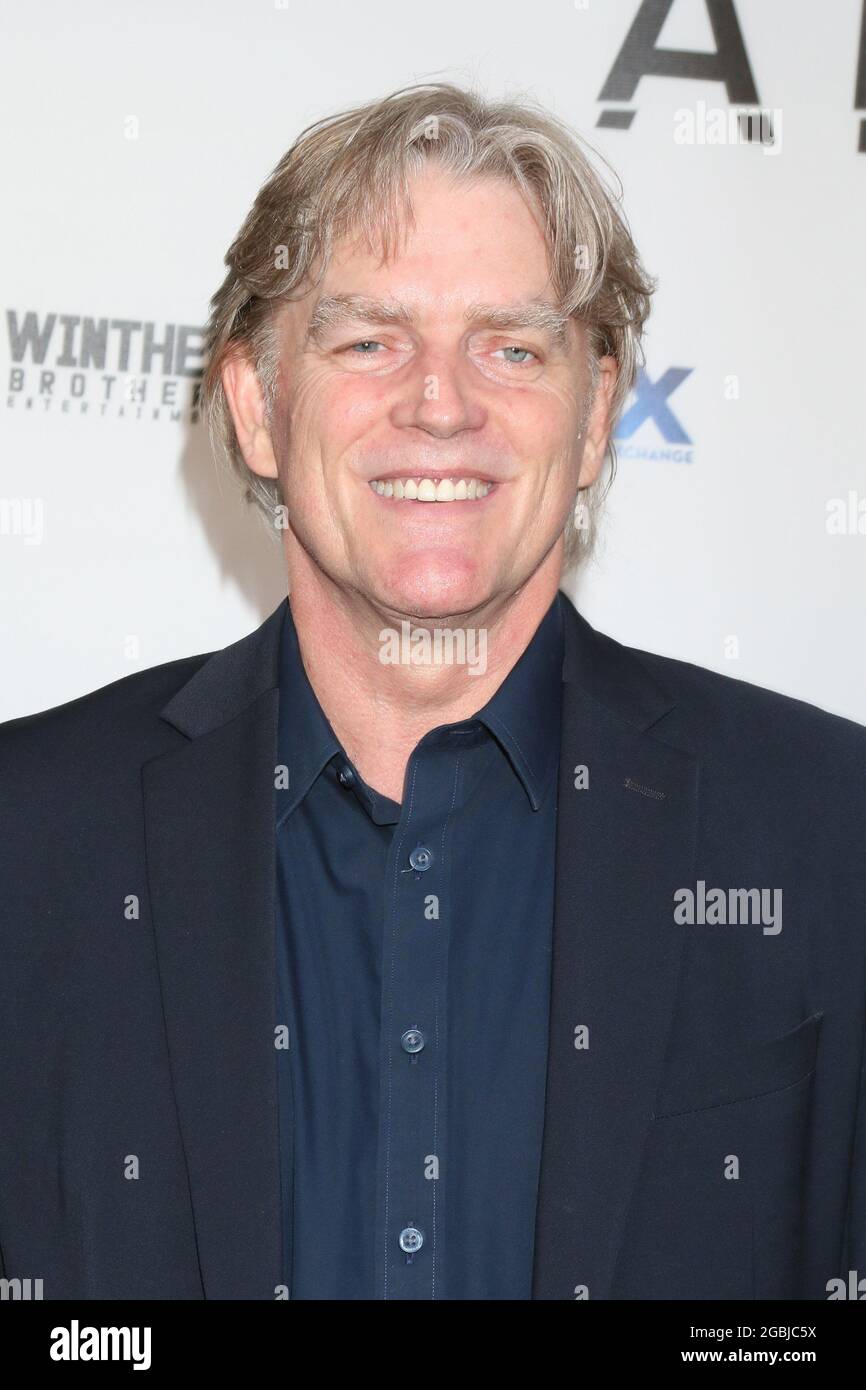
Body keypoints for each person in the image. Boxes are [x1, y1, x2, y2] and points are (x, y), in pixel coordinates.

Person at [1, 82, 863, 1301]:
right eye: (369, 340)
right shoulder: (29, 838)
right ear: (257, 405)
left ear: (594, 415)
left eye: (511, 347)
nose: (441, 403)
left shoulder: (826, 827)